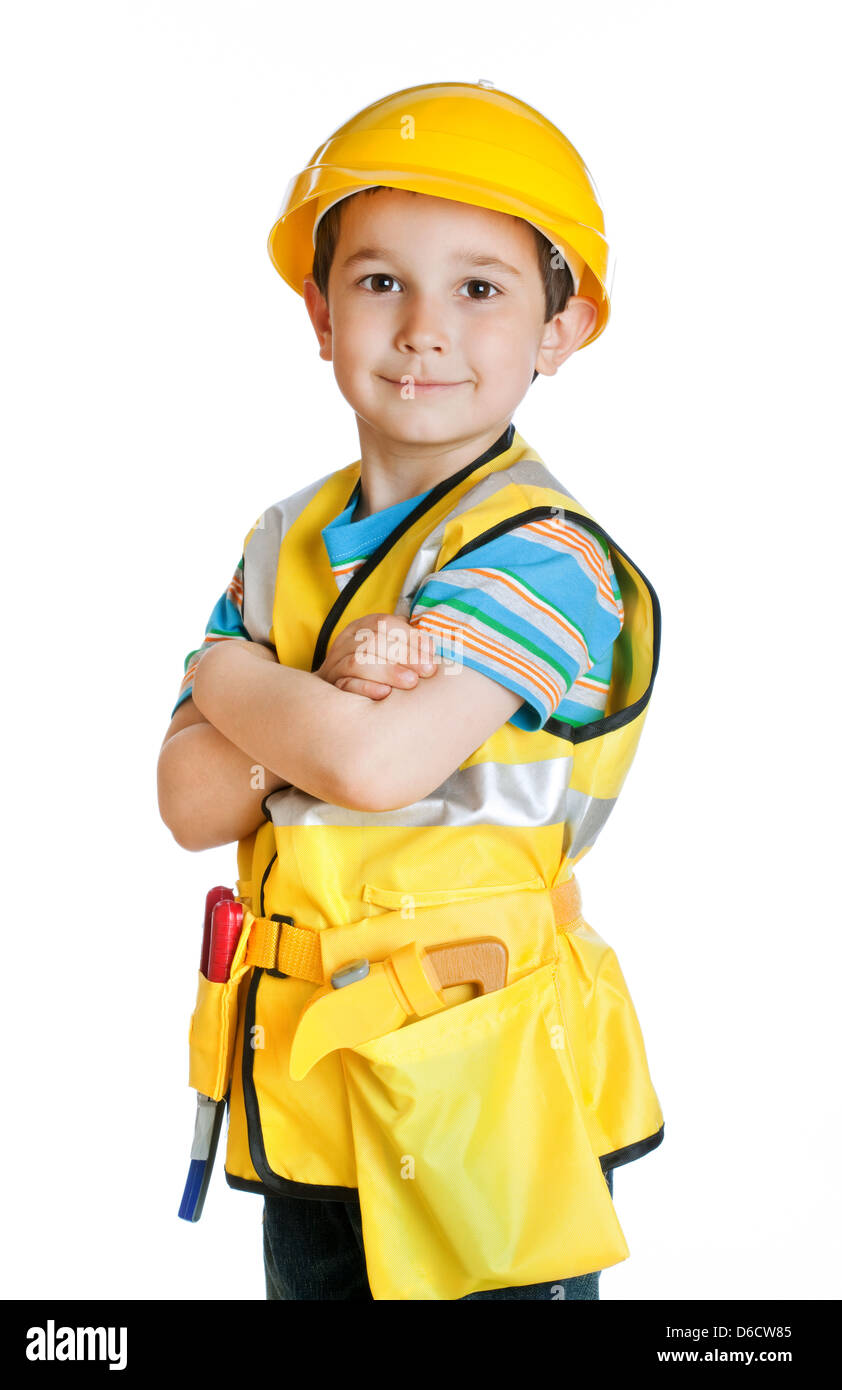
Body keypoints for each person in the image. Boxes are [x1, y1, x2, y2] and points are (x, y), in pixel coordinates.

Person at [158, 81, 663, 1301]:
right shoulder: (286, 536)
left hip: (476, 1087)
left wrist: (232, 677)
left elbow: (378, 767)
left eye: (479, 288)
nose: (423, 326)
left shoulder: (545, 553)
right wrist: (317, 695)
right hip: (310, 1085)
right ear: (319, 314)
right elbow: (185, 802)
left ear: (562, 324)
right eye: (380, 280)